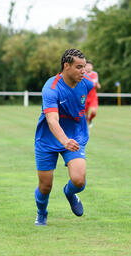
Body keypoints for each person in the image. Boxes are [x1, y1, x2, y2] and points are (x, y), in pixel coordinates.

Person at [34, 48, 95, 226]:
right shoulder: (51, 87)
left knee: (79, 180)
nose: (83, 71)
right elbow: (52, 120)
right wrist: (64, 141)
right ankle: (42, 213)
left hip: (75, 137)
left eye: (84, 67)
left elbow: (84, 100)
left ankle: (69, 193)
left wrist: (70, 139)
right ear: (66, 66)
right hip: (48, 139)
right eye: (78, 67)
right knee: (45, 186)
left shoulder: (87, 83)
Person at [84, 60, 101, 128]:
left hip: (93, 95)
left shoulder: (95, 74)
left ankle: (90, 119)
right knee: (85, 114)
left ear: (92, 67)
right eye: (87, 66)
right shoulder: (83, 74)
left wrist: (98, 85)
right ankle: (86, 124)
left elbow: (97, 84)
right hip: (84, 95)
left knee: (94, 112)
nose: (88, 67)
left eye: (90, 66)